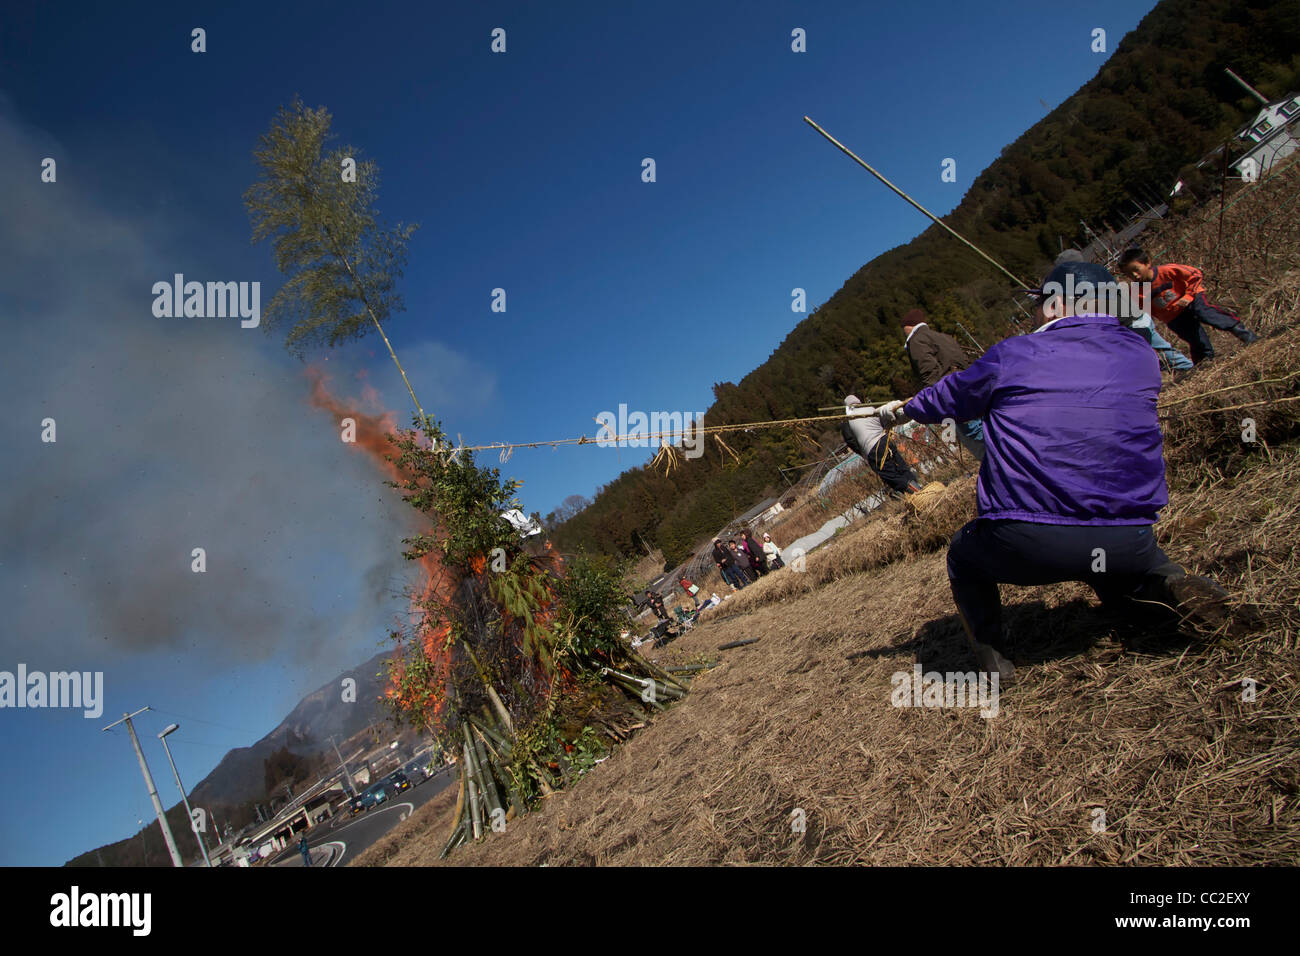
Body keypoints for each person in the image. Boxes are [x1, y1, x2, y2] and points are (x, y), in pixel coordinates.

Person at [875, 259, 1235, 685]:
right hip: (1130, 535)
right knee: (1130, 561)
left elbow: (950, 394)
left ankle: (993, 661)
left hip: (1027, 542)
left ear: (1053, 306)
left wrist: (903, 411)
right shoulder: (1140, 354)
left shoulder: (1014, 353)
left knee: (962, 555)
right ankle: (1166, 582)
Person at [1054, 250, 1192, 375]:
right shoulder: (1093, 275)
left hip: (1132, 321)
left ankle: (1187, 368)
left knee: (1153, 353)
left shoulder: (1089, 280)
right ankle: (1183, 367)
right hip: (1129, 321)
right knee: (1152, 352)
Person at [1118, 247, 1259, 365]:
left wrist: (1189, 295)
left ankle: (1243, 333)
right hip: (1173, 316)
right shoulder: (1136, 292)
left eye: (1136, 270)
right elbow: (1144, 310)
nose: (1134, 275)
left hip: (1191, 299)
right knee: (1194, 338)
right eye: (1129, 274)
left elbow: (1194, 274)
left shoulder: (1167, 271)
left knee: (1204, 313)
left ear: (1147, 263)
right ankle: (1205, 363)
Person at [899, 309, 986, 460]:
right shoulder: (943, 336)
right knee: (987, 429)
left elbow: (929, 373)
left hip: (954, 396)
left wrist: (934, 402)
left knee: (977, 438)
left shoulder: (916, 341)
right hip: (971, 387)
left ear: (909, 327)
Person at [841, 395, 922, 496]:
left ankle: (916, 494)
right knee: (901, 467)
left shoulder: (847, 420)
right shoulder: (870, 409)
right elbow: (883, 422)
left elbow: (850, 440)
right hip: (885, 441)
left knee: (891, 476)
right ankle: (919, 488)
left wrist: (863, 453)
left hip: (873, 449)